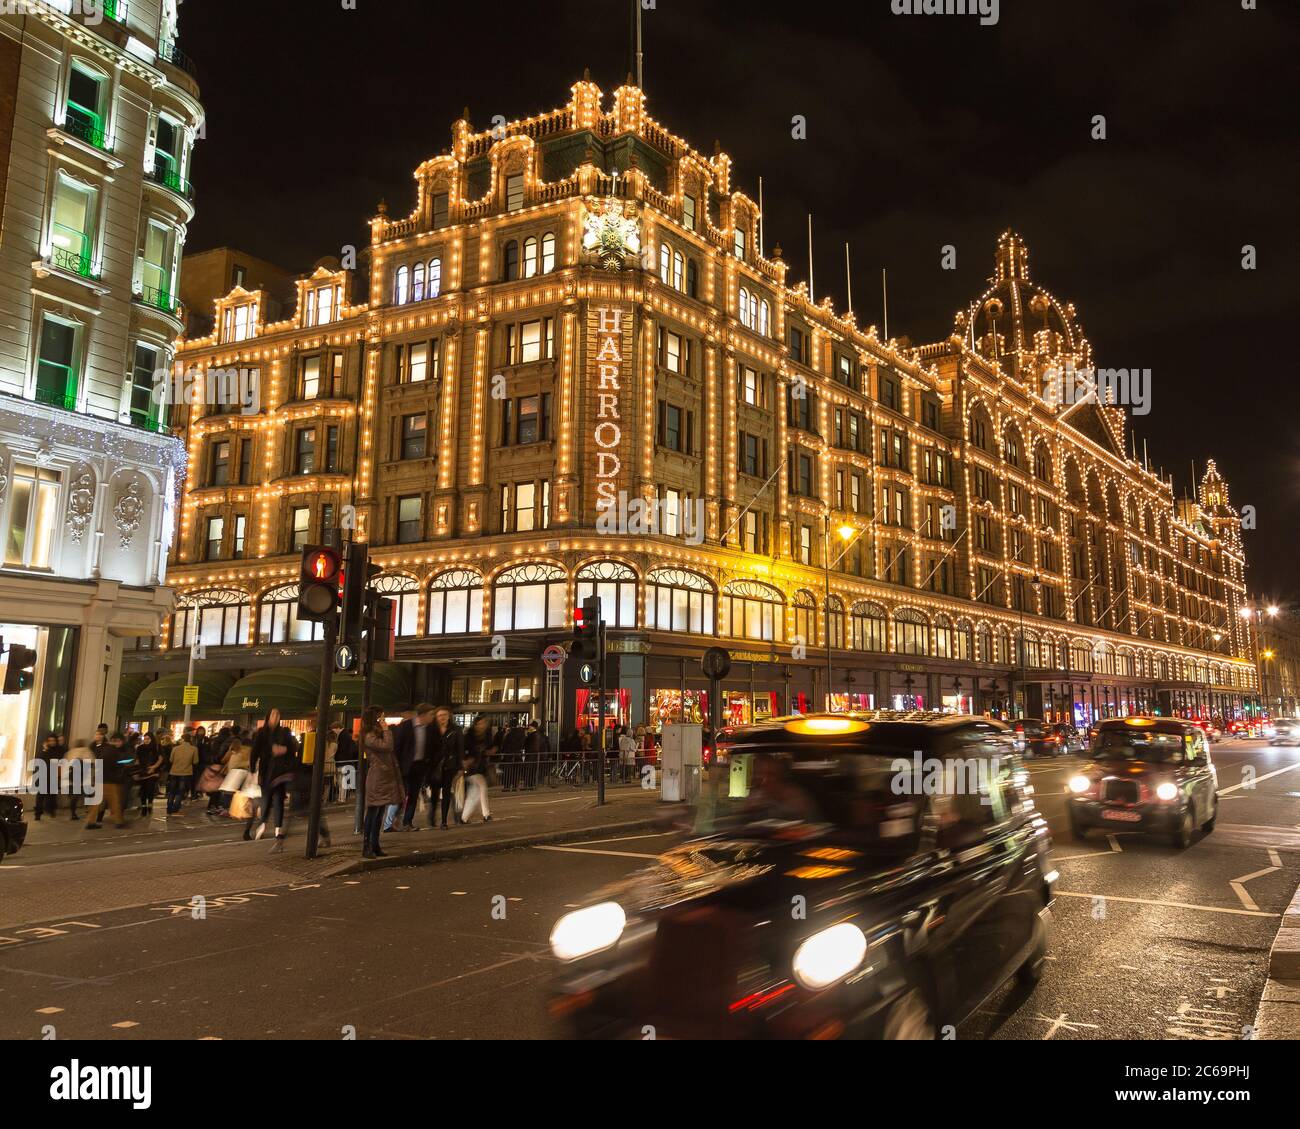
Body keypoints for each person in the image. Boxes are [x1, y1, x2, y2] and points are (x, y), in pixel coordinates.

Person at [247, 708, 301, 852]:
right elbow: (254, 753)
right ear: (268, 716)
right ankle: (263, 822)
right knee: (266, 799)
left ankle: (278, 829)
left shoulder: (283, 732)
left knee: (278, 801)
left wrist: (283, 750)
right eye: (273, 714)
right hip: (266, 772)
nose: (276, 717)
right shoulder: (262, 733)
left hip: (280, 772)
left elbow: (292, 748)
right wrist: (253, 771)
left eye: (278, 714)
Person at [360, 707, 403, 859]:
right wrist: (386, 730)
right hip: (377, 778)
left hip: (384, 777)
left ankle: (375, 844)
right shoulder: (369, 735)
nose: (384, 721)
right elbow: (387, 746)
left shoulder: (375, 733)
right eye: (382, 718)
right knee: (373, 812)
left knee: (379, 813)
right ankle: (367, 846)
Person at [393, 703, 436, 830]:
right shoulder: (406, 727)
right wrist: (398, 766)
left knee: (413, 794)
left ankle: (407, 822)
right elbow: (398, 747)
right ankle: (395, 817)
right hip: (405, 766)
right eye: (431, 714)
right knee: (402, 794)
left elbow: (431, 748)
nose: (432, 717)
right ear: (423, 715)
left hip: (420, 765)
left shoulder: (430, 728)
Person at [85, 733, 137, 829]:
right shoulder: (114, 751)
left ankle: (90, 822)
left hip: (100, 778)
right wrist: (122, 764)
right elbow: (124, 762)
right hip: (110, 780)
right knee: (114, 802)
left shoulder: (104, 749)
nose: (118, 743)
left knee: (96, 802)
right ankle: (119, 821)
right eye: (117, 741)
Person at [430, 707, 464, 828]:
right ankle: (432, 815)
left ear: (449, 716)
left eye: (444, 715)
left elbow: (460, 749)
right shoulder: (432, 730)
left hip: (450, 765)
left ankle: (444, 821)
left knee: (446, 792)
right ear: (436, 717)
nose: (442, 717)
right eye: (440, 715)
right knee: (434, 793)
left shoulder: (455, 730)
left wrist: (460, 767)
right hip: (435, 766)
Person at [461, 714, 495, 824]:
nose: (482, 725)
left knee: (474, 794)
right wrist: (466, 760)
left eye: (484, 723)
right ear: (475, 724)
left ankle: (464, 817)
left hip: (480, 767)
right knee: (482, 786)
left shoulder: (487, 736)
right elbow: (464, 750)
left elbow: (487, 750)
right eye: (480, 723)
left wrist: (489, 751)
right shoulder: (469, 737)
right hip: (471, 768)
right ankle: (486, 814)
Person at [166, 732, 199, 815]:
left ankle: (169, 806)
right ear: (190, 740)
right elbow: (195, 761)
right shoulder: (194, 749)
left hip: (174, 772)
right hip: (186, 772)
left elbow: (171, 760)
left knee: (172, 790)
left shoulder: (175, 748)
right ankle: (176, 807)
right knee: (181, 791)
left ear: (182, 739)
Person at [33, 733, 64, 819]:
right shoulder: (44, 750)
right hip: (43, 775)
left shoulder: (58, 751)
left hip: (53, 776)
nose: (52, 742)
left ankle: (52, 811)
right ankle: (38, 814)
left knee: (52, 795)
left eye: (53, 740)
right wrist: (45, 749)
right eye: (50, 741)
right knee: (40, 796)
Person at [330, 723, 359, 804]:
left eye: (334, 729)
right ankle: (342, 798)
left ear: (338, 728)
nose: (334, 732)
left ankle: (341, 799)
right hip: (346, 761)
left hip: (343, 761)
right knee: (343, 781)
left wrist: (336, 755)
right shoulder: (346, 735)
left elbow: (341, 749)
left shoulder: (343, 736)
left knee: (341, 781)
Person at [134, 734, 163, 817]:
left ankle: (149, 804)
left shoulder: (156, 747)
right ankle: (143, 807)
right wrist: (136, 771)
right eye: (145, 739)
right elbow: (137, 759)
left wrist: (154, 767)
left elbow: (161, 759)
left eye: (148, 739)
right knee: (143, 790)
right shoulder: (140, 748)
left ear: (152, 739)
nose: (146, 740)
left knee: (150, 789)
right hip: (142, 771)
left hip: (152, 772)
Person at [499, 722, 526, 791]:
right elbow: (523, 745)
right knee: (516, 773)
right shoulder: (521, 735)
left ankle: (507, 787)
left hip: (509, 756)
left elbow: (504, 745)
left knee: (508, 773)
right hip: (518, 755)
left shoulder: (509, 734)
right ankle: (514, 786)